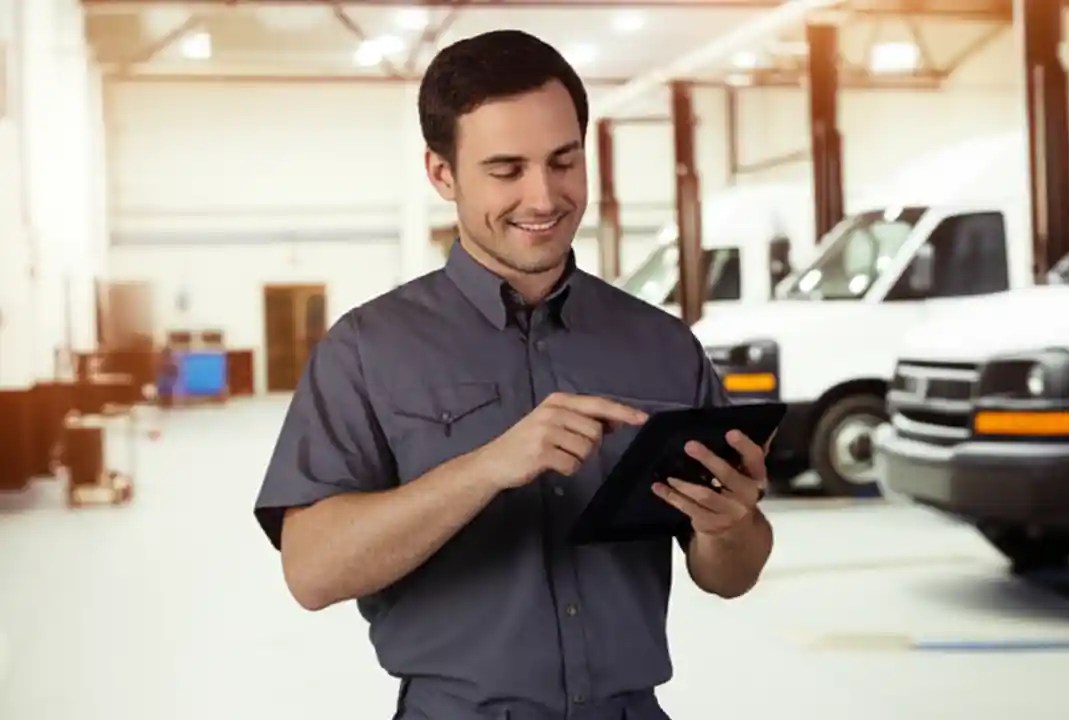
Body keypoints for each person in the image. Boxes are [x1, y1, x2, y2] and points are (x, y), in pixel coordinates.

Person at [253, 28, 774, 720]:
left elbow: (730, 576)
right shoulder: (366, 351)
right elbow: (312, 572)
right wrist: (487, 467)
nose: (544, 197)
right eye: (506, 170)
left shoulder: (663, 345)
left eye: (564, 162)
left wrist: (731, 525)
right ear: (442, 174)